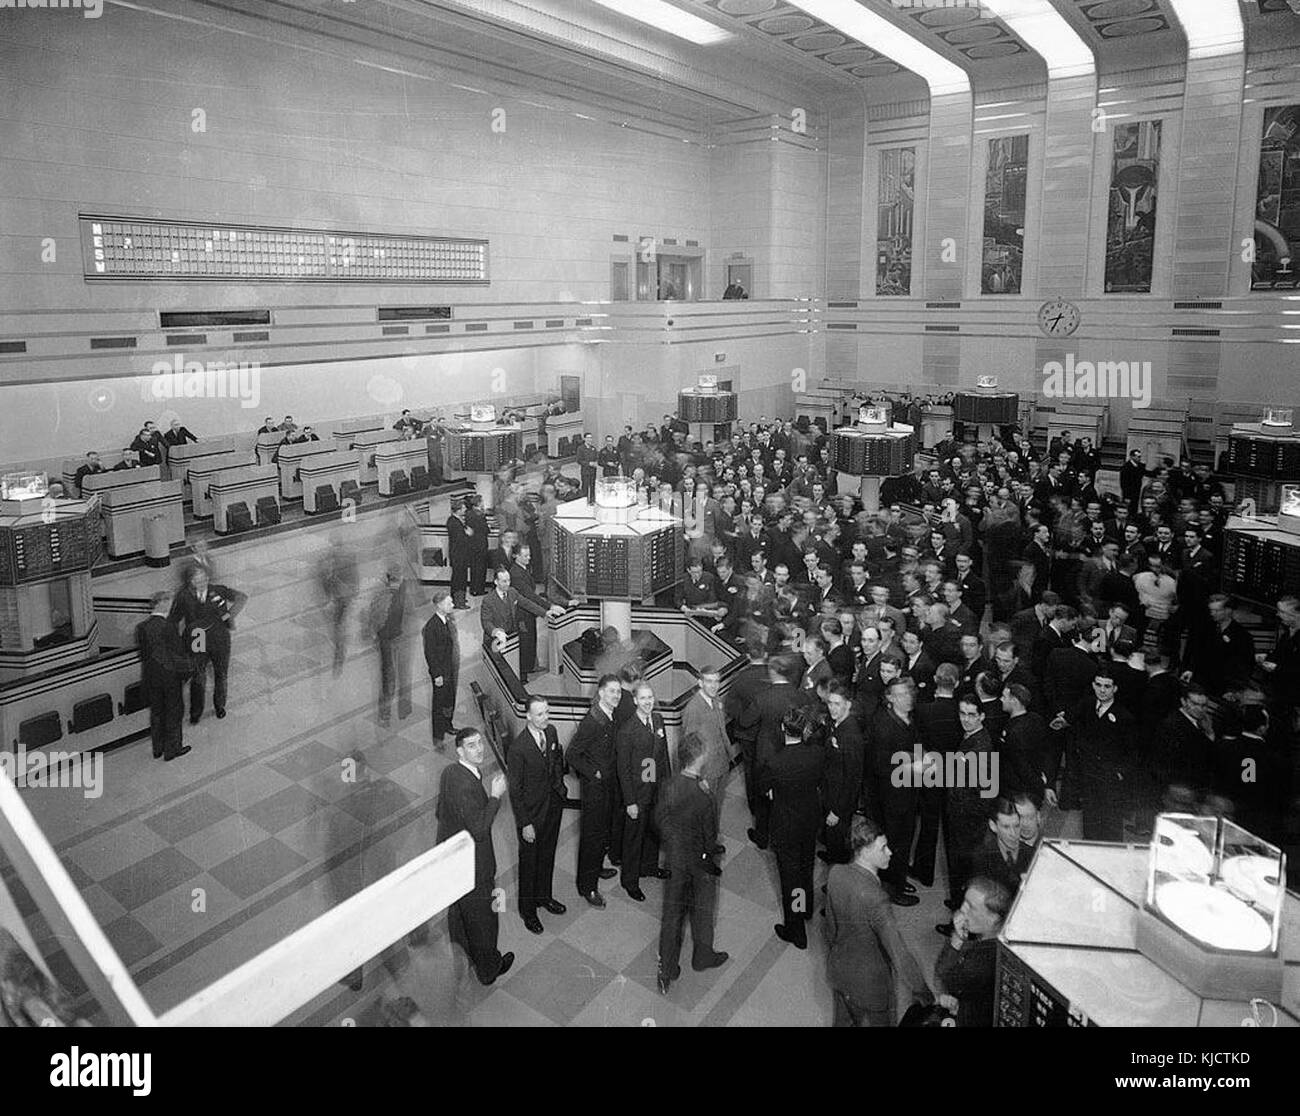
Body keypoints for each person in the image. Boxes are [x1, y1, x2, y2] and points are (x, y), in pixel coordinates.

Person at [824, 816, 934, 1027]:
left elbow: (831, 929)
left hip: (839, 972)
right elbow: (898, 952)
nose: (890, 852)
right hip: (869, 988)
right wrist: (923, 991)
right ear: (864, 851)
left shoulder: (835, 873)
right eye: (883, 848)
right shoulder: (877, 898)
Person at [434, 728, 514, 986]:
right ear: (460, 750)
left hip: (453, 862)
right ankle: (489, 968)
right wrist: (495, 796)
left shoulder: (450, 773)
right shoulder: (468, 784)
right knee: (484, 919)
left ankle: (463, 958)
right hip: (474, 866)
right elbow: (479, 829)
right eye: (471, 745)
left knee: (459, 914)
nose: (479, 749)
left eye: (480, 743)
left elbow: (440, 812)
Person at [655, 732, 728, 994]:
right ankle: (702, 956)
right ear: (698, 759)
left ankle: (667, 970)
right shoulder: (704, 796)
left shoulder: (668, 785)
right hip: (698, 863)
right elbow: (710, 838)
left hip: (675, 860)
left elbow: (660, 820)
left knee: (672, 917)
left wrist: (674, 843)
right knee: (702, 910)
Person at [760, 705, 826, 950]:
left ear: (782, 728)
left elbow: (764, 789)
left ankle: (796, 929)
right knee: (807, 864)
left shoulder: (775, 762)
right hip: (810, 819)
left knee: (791, 877)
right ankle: (807, 908)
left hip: (786, 824)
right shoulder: (817, 753)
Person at [507, 697, 568, 935]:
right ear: (528, 717)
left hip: (552, 807)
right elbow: (515, 791)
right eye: (540, 714)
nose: (546, 718)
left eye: (547, 712)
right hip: (531, 816)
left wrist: (561, 789)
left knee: (547, 855)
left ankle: (544, 897)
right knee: (529, 863)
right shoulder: (518, 749)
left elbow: (555, 763)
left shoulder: (550, 733)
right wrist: (525, 824)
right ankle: (528, 911)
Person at [567, 675, 622, 907]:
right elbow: (571, 754)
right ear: (600, 693)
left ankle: (597, 867)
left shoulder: (609, 714)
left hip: (607, 786)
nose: (616, 696)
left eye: (618, 692)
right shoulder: (592, 721)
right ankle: (587, 886)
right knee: (591, 837)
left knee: (601, 833)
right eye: (611, 692)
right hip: (595, 790)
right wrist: (594, 773)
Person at [617, 682, 671, 901]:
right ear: (635, 701)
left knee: (652, 832)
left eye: (651, 697)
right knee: (633, 838)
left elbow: (663, 756)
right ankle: (630, 881)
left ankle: (649, 867)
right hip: (637, 795)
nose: (648, 702)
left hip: (655, 789)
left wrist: (667, 788)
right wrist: (630, 802)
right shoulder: (627, 731)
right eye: (644, 698)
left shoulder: (658, 721)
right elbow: (624, 769)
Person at [934, 877, 1011, 1027]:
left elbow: (945, 975)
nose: (963, 909)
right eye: (965, 902)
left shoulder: (979, 962)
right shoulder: (993, 938)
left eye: (971, 906)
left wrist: (956, 939)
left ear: (993, 918)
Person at [169, 564, 239, 724]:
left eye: (203, 577)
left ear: (207, 578)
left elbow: (241, 597)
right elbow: (174, 619)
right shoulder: (184, 596)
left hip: (219, 640)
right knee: (198, 676)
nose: (201, 581)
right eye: (196, 578)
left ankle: (220, 706)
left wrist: (229, 616)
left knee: (221, 675)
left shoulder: (218, 591)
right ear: (191, 581)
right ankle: (196, 712)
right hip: (198, 639)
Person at [135, 590, 192, 762]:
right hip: (170, 678)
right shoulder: (168, 626)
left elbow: (143, 655)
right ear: (161, 603)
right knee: (174, 712)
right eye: (169, 602)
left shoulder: (142, 628)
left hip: (151, 677)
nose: (171, 605)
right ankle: (172, 749)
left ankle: (157, 749)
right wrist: (186, 674)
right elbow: (178, 654)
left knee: (157, 712)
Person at [682, 665, 732, 840]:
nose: (714, 685)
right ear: (700, 682)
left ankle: (712, 840)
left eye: (717, 681)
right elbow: (690, 746)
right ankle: (705, 847)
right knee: (705, 811)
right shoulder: (693, 709)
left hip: (721, 764)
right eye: (709, 681)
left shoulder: (717, 700)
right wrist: (699, 777)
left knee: (716, 806)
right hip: (706, 770)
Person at [819, 681, 864, 865]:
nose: (832, 708)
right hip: (830, 790)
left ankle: (838, 871)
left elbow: (853, 778)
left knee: (839, 840)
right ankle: (831, 856)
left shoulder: (851, 735)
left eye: (837, 704)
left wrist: (837, 811)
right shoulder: (835, 723)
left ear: (848, 704)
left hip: (840, 800)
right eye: (830, 703)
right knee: (832, 837)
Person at [368, 566, 412, 727]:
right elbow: (378, 619)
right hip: (389, 640)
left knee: (390, 677)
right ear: (397, 579)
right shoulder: (389, 596)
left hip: (391, 639)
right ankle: (384, 715)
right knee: (389, 679)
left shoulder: (388, 595)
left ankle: (388, 714)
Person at [969, 797, 1033, 897]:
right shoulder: (982, 858)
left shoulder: (1032, 854)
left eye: (1016, 826)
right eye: (1006, 827)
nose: (1013, 834)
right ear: (993, 826)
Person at [421, 588, 460, 748]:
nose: (452, 605)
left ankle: (447, 725)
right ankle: (438, 736)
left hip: (449, 669)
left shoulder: (447, 620)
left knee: (449, 698)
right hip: (440, 673)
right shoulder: (431, 627)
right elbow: (430, 653)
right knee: (439, 703)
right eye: (449, 603)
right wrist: (437, 675)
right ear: (439, 605)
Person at [315, 537, 358, 675]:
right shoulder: (347, 558)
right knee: (339, 625)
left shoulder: (337, 561)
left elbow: (329, 579)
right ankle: (340, 649)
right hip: (344, 597)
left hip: (341, 598)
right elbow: (354, 577)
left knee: (338, 626)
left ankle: (339, 651)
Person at [446, 498, 472, 609]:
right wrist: (467, 534)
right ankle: (459, 602)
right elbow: (460, 540)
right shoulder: (454, 523)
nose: (465, 509)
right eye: (463, 508)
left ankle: (457, 598)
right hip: (459, 556)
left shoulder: (454, 520)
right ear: (458, 510)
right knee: (460, 579)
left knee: (457, 578)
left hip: (458, 555)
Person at [464, 495, 490, 595]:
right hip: (481, 544)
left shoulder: (468, 514)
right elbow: (486, 530)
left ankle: (473, 588)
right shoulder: (480, 515)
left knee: (474, 568)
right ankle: (479, 589)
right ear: (479, 503)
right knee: (481, 568)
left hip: (472, 545)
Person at [576, 432, 598, 502]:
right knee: (585, 487)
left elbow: (596, 458)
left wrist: (596, 463)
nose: (590, 439)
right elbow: (579, 460)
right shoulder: (580, 448)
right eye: (588, 438)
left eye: (591, 438)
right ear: (584, 439)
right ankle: (584, 501)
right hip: (585, 471)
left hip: (593, 471)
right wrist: (588, 463)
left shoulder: (593, 448)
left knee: (592, 486)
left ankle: (592, 500)